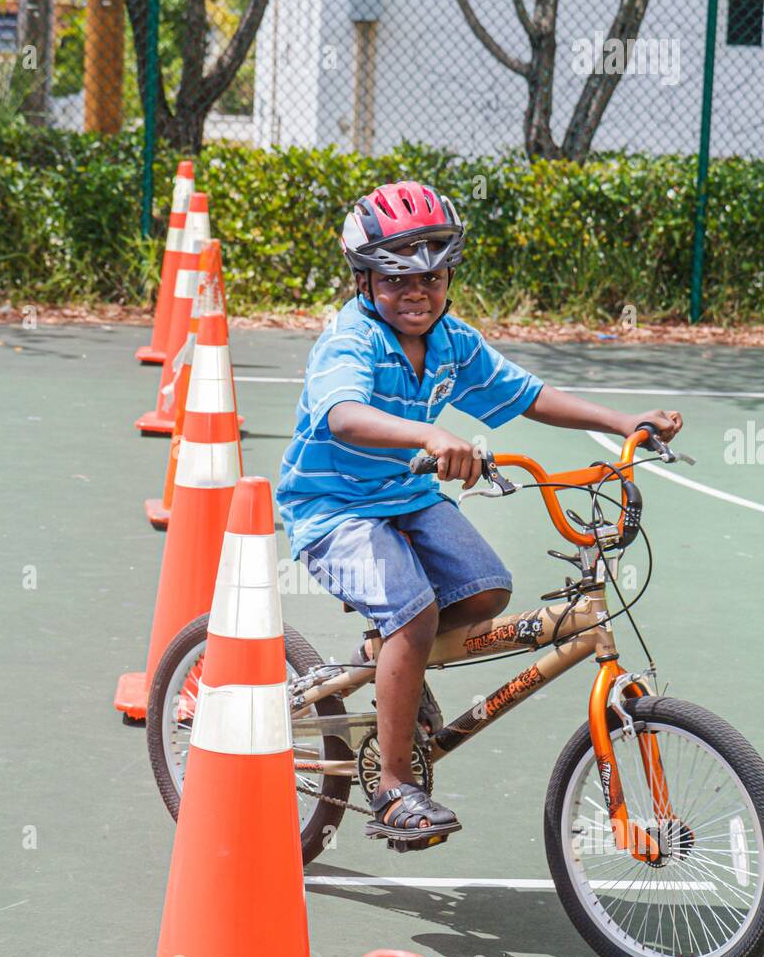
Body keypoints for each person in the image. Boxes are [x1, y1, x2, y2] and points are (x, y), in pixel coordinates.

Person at [276, 180, 682, 848]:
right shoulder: (351, 340)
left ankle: (390, 670)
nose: (417, 294)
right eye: (397, 280)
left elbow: (527, 395)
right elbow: (344, 414)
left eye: (432, 278)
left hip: (407, 499)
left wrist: (621, 421)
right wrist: (431, 437)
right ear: (363, 280)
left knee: (486, 588)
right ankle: (393, 787)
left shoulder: (451, 343)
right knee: (412, 610)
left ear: (450, 278)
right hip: (334, 508)